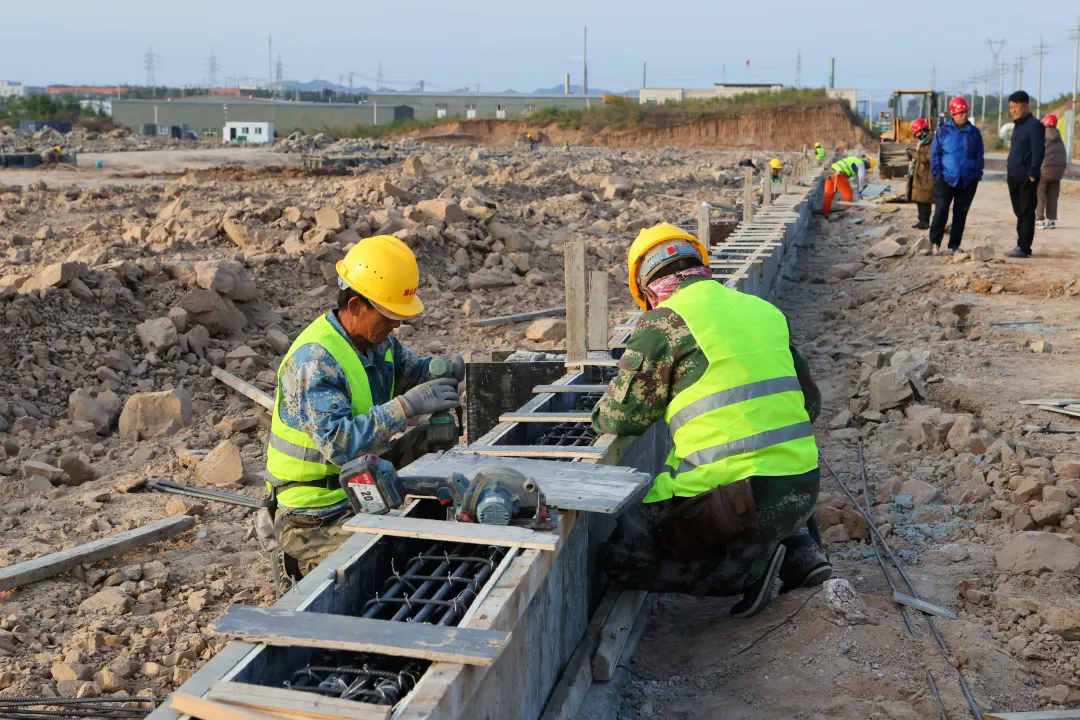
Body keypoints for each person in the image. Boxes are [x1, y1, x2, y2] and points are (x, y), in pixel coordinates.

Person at [592, 223, 830, 619]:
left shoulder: (664, 322)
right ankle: (798, 547)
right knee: (768, 473)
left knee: (623, 556)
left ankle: (747, 572)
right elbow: (811, 404)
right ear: (702, 264)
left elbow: (620, 417)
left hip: (738, 501)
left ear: (647, 290)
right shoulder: (762, 310)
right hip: (803, 487)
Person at [265, 235, 464, 593]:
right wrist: (407, 406)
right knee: (390, 566)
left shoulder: (378, 342)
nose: (396, 326)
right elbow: (340, 444)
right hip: (313, 512)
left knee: (431, 440)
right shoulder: (316, 360)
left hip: (355, 483)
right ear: (356, 305)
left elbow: (413, 373)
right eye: (389, 316)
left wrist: (445, 369)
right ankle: (297, 560)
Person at [928, 96, 983, 255]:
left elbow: (979, 154)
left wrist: (977, 174)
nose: (963, 115)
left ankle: (954, 246)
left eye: (965, 112)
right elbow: (935, 155)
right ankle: (934, 242)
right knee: (941, 211)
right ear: (952, 114)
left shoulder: (974, 132)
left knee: (960, 214)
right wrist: (938, 175)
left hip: (967, 181)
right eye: (960, 113)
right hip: (946, 179)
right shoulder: (943, 131)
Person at [1005, 90, 1045, 258]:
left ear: (1026, 106)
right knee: (1019, 212)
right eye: (1011, 107)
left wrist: (1033, 172)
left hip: (1026, 177)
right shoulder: (1017, 126)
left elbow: (1039, 150)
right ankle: (1021, 244)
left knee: (1026, 212)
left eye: (1016, 107)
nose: (1013, 110)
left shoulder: (1034, 125)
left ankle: (1024, 248)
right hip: (1014, 176)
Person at [1036, 113, 1065, 230]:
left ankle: (1040, 220)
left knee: (1041, 195)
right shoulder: (1059, 137)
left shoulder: (1042, 135)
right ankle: (1052, 221)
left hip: (1045, 171)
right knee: (1053, 195)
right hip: (1058, 173)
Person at [907, 118, 934, 230]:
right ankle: (922, 221)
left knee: (924, 200)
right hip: (920, 174)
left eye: (917, 132)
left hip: (926, 175)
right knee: (920, 200)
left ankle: (924, 222)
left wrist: (914, 154)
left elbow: (928, 158)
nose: (916, 135)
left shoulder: (931, 142)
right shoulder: (922, 142)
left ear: (923, 130)